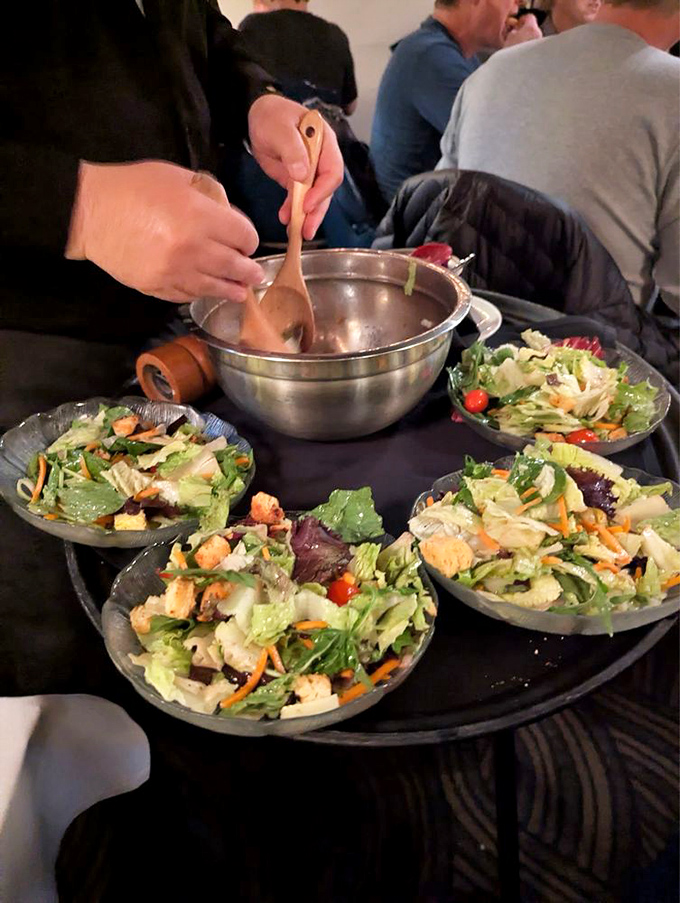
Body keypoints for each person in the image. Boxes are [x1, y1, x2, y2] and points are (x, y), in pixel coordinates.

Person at [0, 1, 343, 353]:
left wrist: (257, 98)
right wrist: (87, 210)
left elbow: (206, 33)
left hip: (183, 317)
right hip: (37, 338)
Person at [438, 0, 680, 314]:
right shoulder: (671, 93)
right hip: (597, 352)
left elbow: (439, 205)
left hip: (474, 329)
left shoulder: (489, 71)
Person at [369, 0, 542, 203]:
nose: (519, 5)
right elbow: (503, 146)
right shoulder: (432, 57)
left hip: (431, 211)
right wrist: (519, 57)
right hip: (418, 224)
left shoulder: (443, 51)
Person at [240, 0, 358, 114]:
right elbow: (350, 106)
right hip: (329, 130)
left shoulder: (254, 25)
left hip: (280, 128)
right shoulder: (336, 34)